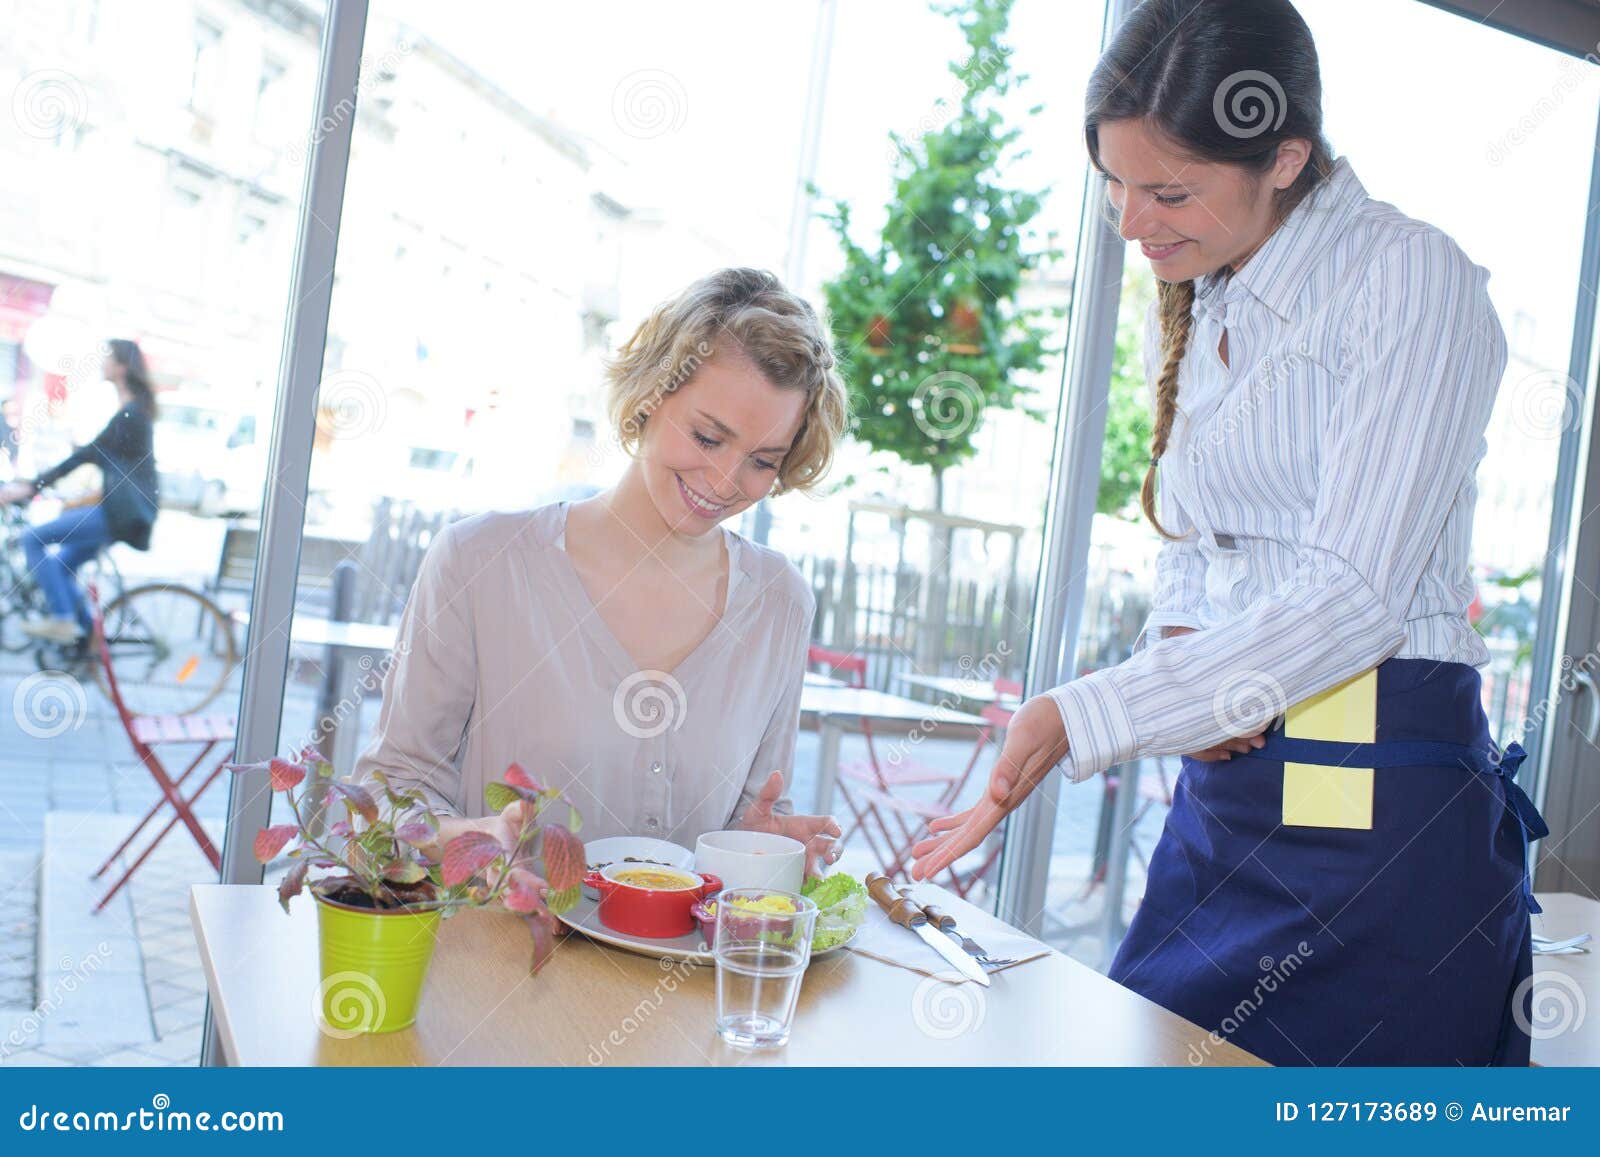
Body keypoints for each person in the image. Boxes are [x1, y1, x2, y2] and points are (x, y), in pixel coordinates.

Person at [911, 0, 1543, 1066]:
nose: (1130, 222)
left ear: (1285, 156)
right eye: (1115, 183)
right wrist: (1178, 656)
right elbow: (1202, 540)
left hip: (1375, 795)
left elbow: (1353, 593)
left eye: (1166, 190)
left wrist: (1091, 707)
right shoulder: (1219, 288)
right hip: (1235, 782)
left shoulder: (1408, 277)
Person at [355, 268, 851, 880]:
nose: (726, 482)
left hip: (678, 977)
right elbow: (390, 789)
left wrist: (757, 848)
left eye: (762, 462)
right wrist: (467, 836)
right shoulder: (480, 562)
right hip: (493, 961)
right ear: (649, 395)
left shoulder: (780, 603)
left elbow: (750, 817)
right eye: (707, 437)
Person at [0, 339, 160, 643]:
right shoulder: (133, 412)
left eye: (108, 358)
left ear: (122, 367)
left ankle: (62, 620)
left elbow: (88, 455)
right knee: (62, 564)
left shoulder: (132, 416)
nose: (102, 363)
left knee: (32, 538)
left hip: (118, 514)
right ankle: (86, 639)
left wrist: (31, 487)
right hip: (121, 512)